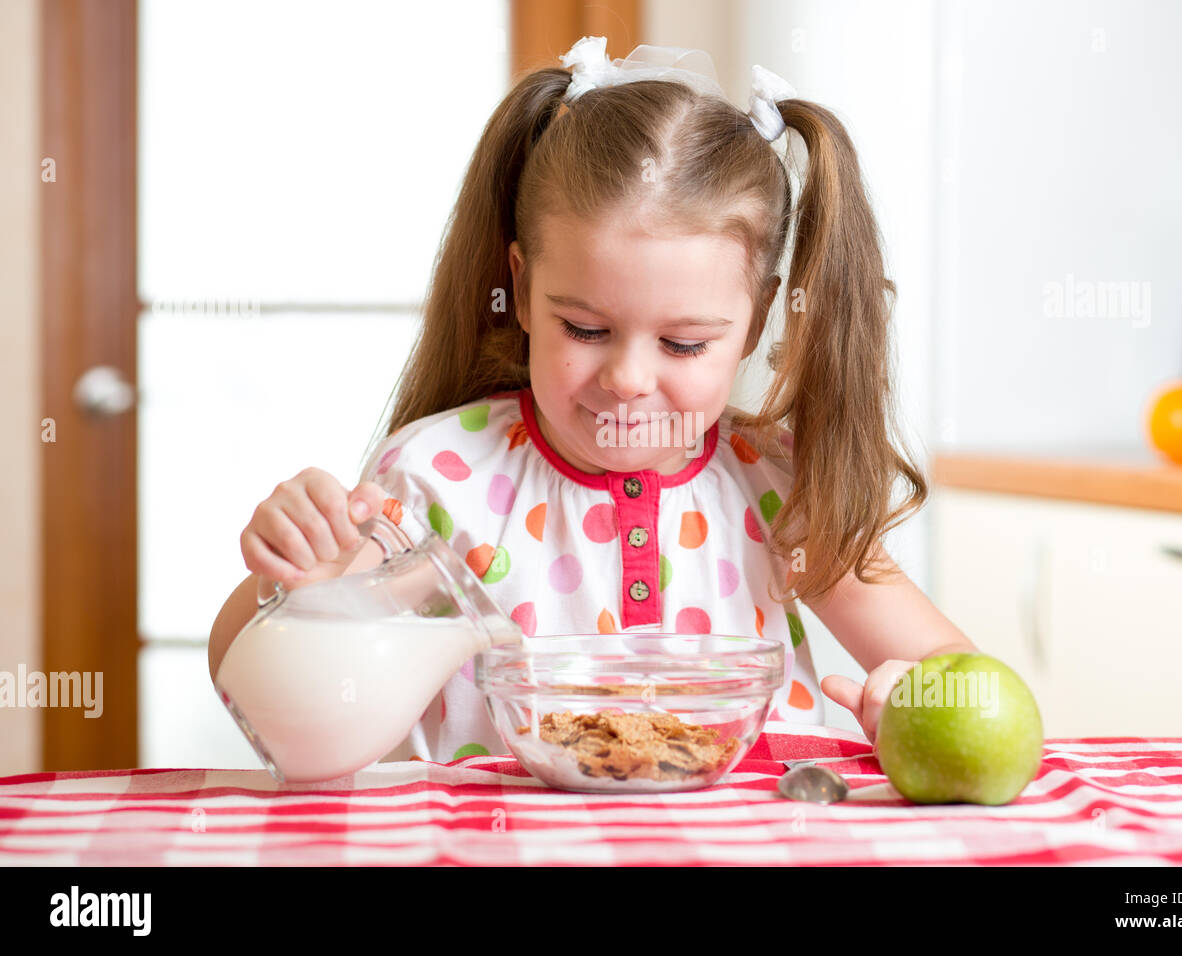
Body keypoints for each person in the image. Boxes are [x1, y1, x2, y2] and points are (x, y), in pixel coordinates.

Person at [208, 36, 978, 765]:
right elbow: (247, 678)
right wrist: (296, 580)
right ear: (522, 284)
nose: (628, 380)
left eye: (683, 344)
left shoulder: (783, 488)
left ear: (753, 322)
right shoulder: (438, 478)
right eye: (584, 327)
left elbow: (960, 674)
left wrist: (915, 696)